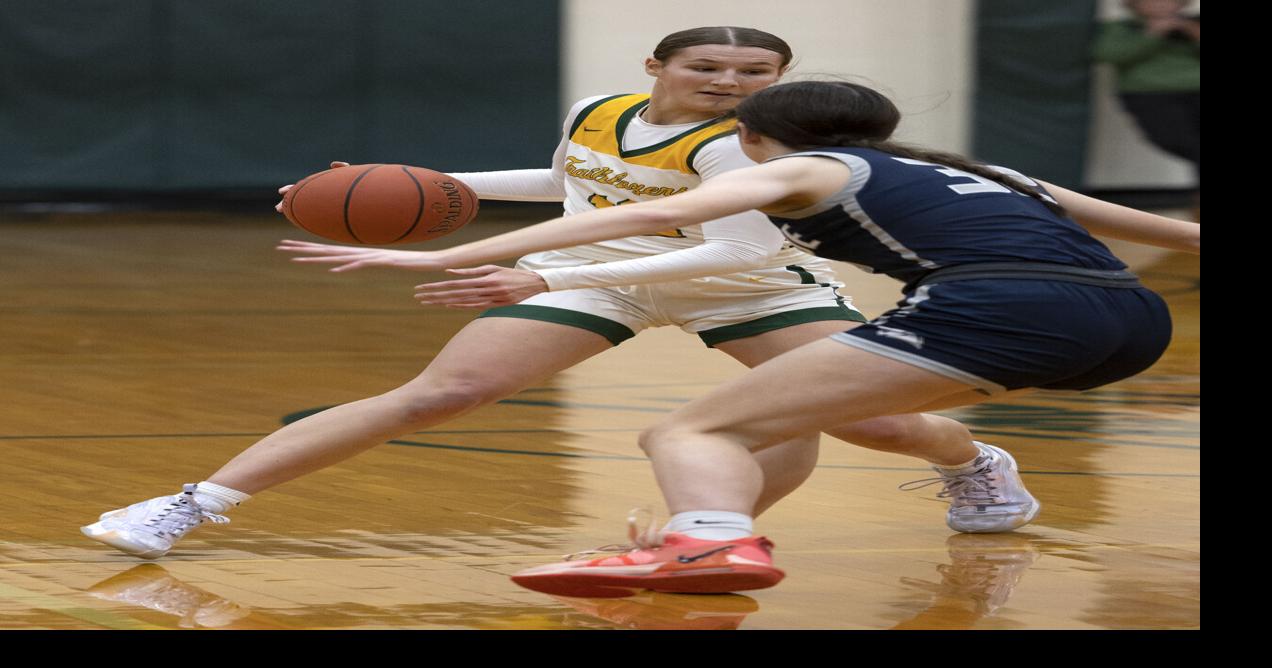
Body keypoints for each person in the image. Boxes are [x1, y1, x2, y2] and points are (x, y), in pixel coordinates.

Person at [82, 28, 1012, 560]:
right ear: (657, 67)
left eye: (754, 75)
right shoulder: (594, 112)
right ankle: (192, 504)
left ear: (778, 83)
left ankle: (972, 468)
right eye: (708, 69)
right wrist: (432, 181)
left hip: (743, 284)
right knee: (439, 394)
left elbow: (718, 252)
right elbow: (573, 183)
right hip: (602, 276)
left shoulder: (752, 149)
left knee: (866, 425)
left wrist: (546, 270)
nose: (730, 83)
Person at [276, 81, 1198, 596]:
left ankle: (708, 540)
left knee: (690, 431)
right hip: (1127, 321)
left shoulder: (797, 168)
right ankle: (980, 486)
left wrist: (441, 256)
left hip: (999, 311)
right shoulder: (977, 168)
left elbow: (624, 218)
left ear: (751, 137)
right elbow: (1165, 229)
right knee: (820, 417)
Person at [1092, 0, 1200, 210]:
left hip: (1196, 91)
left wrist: (1191, 31)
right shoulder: (1124, 28)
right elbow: (1107, 54)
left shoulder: (1192, 24)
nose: (1160, 4)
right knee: (1181, 141)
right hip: (1150, 96)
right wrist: (1152, 34)